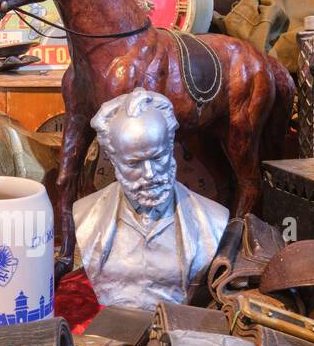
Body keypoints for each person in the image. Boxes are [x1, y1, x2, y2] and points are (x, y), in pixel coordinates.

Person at [73, 88, 229, 308]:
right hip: (115, 332)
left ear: (171, 145)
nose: (149, 173)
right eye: (133, 163)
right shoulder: (86, 215)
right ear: (112, 159)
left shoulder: (213, 219)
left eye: (158, 157)